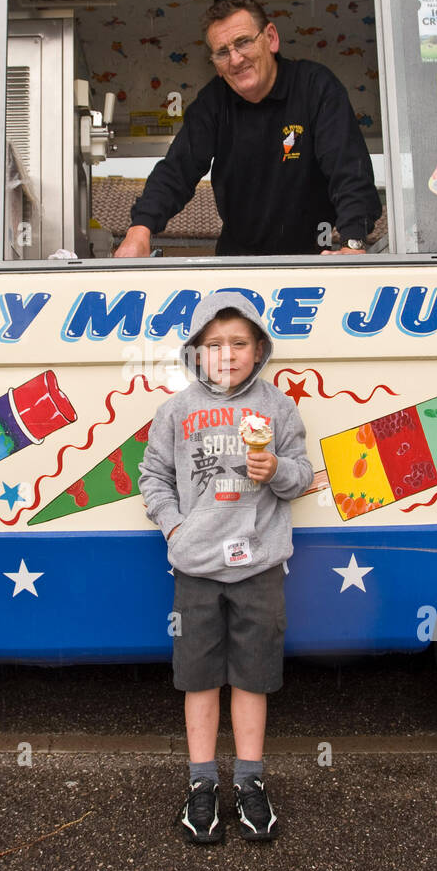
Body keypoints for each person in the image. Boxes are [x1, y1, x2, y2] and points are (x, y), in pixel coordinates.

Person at [138, 289, 313, 842]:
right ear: (196, 353)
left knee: (253, 678)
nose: (228, 354)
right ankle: (200, 783)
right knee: (199, 679)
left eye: (239, 342)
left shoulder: (278, 407)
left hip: (259, 568)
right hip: (195, 568)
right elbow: (153, 478)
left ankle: (251, 781)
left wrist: (276, 471)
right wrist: (174, 527)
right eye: (214, 345)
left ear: (258, 348)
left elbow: (304, 475)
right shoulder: (177, 410)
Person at [114, 0, 382, 257]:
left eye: (243, 42)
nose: (235, 59)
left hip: (311, 258)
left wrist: (353, 244)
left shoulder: (316, 87)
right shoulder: (212, 103)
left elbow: (349, 171)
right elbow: (176, 171)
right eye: (222, 52)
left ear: (271, 39)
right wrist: (140, 230)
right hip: (237, 261)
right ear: (216, 66)